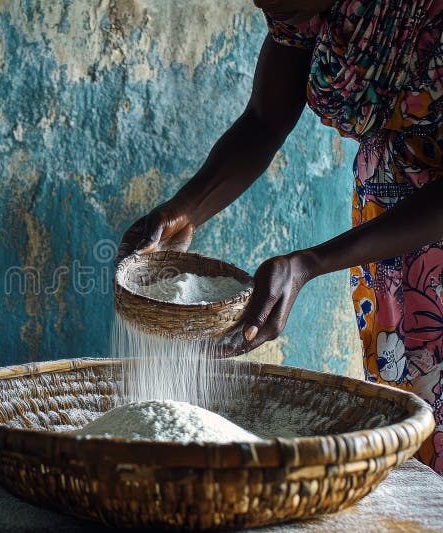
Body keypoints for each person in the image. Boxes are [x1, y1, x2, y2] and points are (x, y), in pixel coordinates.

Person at [116, 0, 443, 474]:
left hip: (425, 221)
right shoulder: (300, 11)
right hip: (390, 234)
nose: (259, 1)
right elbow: (265, 119)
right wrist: (186, 209)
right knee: (418, 403)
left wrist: (307, 263)